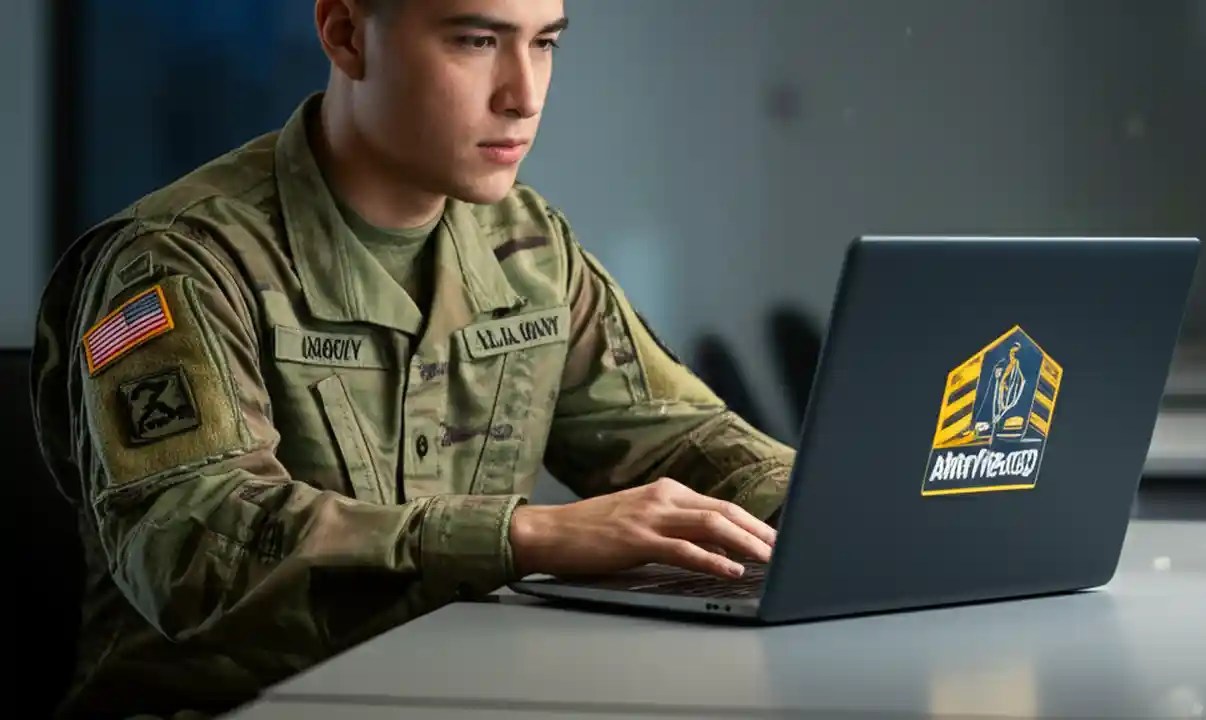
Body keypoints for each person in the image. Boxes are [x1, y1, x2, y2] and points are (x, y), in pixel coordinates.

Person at [30, 0, 793, 717]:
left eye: (545, 43)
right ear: (345, 33)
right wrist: (524, 536)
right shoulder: (179, 259)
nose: (523, 96)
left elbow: (684, 440)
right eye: (475, 40)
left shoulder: (526, 247)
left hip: (454, 696)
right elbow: (197, 555)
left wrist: (836, 508)